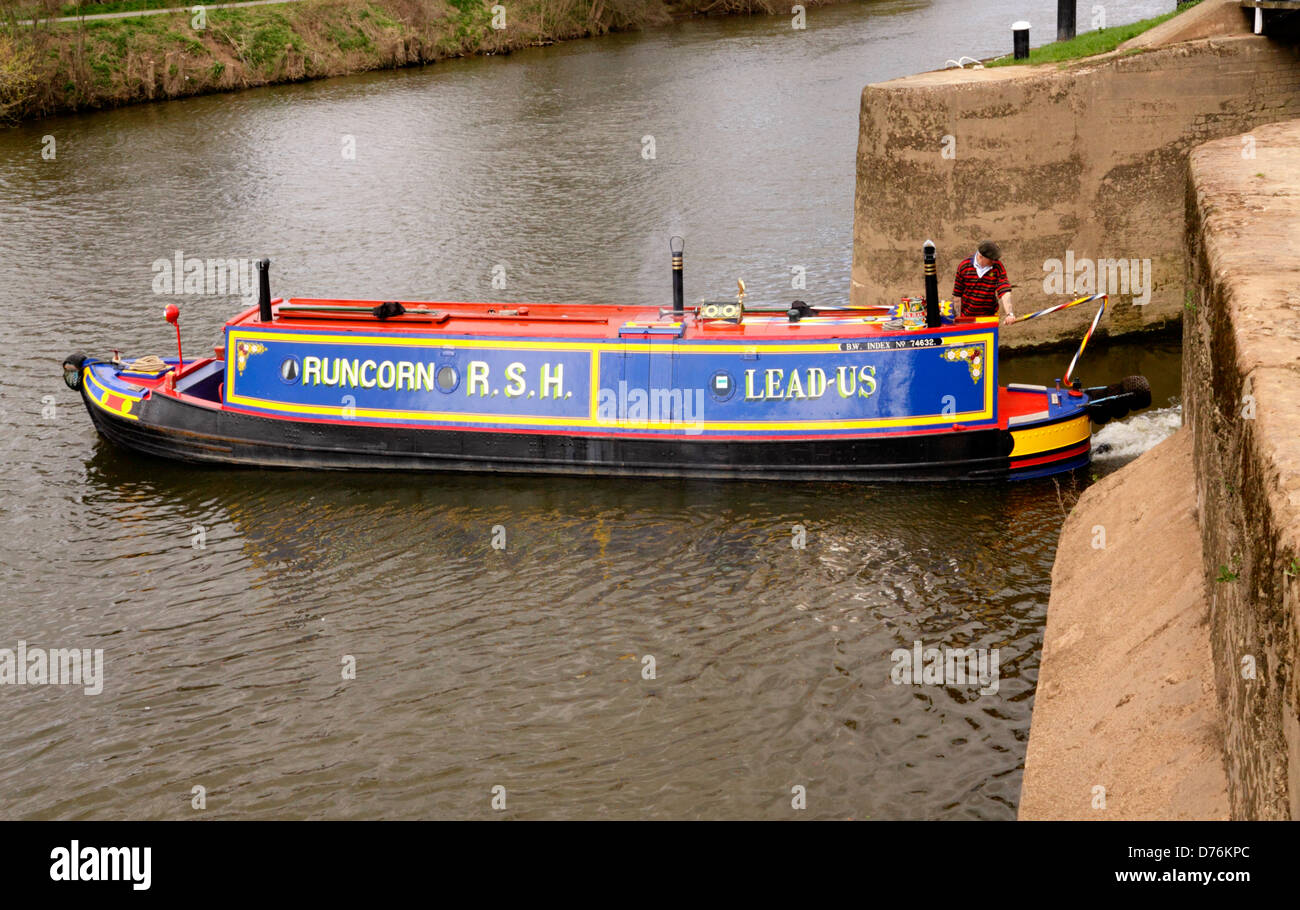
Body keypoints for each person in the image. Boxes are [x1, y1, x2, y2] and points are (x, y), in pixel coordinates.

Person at [952, 241, 1015, 323]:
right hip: (967, 317)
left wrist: (1009, 314)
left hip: (988, 317)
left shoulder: (997, 266)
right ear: (980, 256)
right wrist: (958, 319)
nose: (994, 261)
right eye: (991, 259)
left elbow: (1004, 290)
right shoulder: (964, 266)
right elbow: (957, 295)